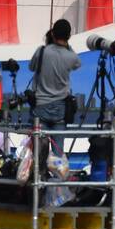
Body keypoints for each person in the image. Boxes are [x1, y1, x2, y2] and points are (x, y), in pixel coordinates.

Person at [28, 19, 81, 160]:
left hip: (41, 106)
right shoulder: (71, 56)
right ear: (69, 37)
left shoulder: (42, 51)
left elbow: (31, 67)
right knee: (58, 152)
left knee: (39, 152)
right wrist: (67, 45)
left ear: (52, 33)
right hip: (60, 108)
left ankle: (39, 178)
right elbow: (77, 64)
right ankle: (57, 180)